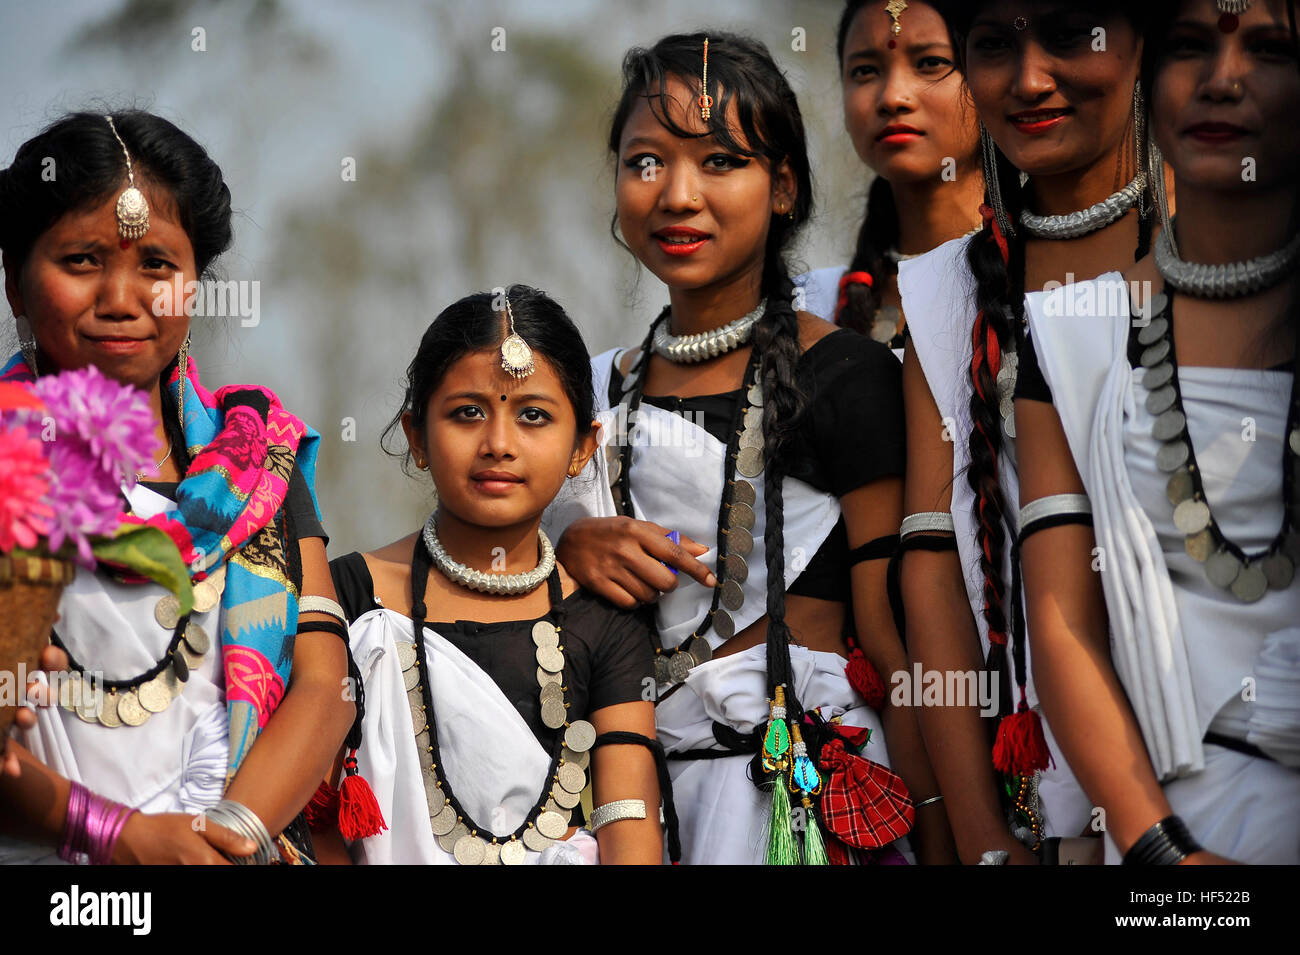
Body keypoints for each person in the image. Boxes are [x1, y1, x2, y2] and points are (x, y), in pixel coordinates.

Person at [548, 31, 953, 864]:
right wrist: (565, 551)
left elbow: (890, 642)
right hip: (628, 805)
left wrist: (953, 832)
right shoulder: (582, 393)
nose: (677, 194)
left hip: (792, 797)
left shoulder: (848, 374)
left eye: (720, 161)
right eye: (647, 162)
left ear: (783, 188)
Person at [0, 110, 352, 864]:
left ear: (195, 284)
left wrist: (224, 837)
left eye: (156, 264)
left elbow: (324, 686)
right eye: (83, 260)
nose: (122, 298)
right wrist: (122, 837)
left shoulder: (260, 463)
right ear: (15, 284)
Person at [1016, 0, 1300, 864]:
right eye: (1188, 47)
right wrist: (1166, 859)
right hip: (1164, 829)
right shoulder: (1070, 336)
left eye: (1269, 47)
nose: (1222, 79)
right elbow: (1064, 622)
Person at [898, 0, 1164, 864]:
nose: (1029, 78)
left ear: (1146, 43)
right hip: (1055, 808)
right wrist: (981, 837)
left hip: (1234, 752)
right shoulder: (946, 299)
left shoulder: (1227, 250)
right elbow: (933, 573)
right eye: (995, 46)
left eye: (1067, 33)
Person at [319, 285, 664, 865]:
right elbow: (316, 818)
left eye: (533, 416)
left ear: (583, 446)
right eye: (467, 413)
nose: (498, 444)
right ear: (416, 436)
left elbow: (629, 826)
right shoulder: (348, 597)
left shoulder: (605, 626)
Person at [800, 0, 983, 354]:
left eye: (931, 63)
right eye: (865, 71)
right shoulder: (811, 307)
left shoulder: (1047, 278)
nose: (893, 97)